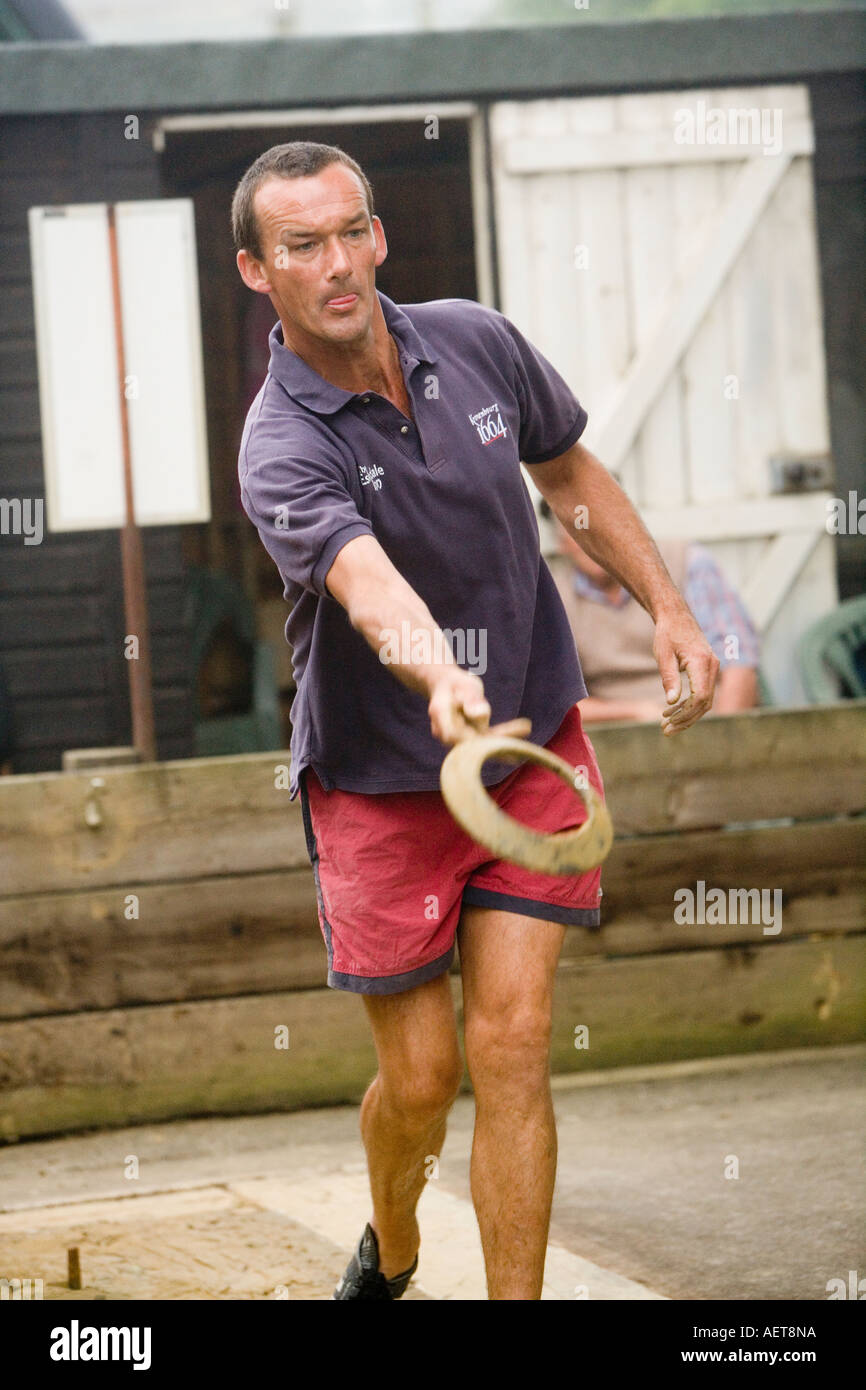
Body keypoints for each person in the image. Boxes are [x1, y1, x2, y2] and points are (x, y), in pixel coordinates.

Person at [232, 141, 718, 1301]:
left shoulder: (475, 339)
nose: (338, 262)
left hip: (530, 745)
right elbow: (363, 582)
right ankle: (392, 1247)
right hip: (380, 782)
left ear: (379, 235)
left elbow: (570, 477)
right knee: (421, 1079)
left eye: (353, 231)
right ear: (258, 270)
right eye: (303, 245)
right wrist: (438, 678)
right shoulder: (281, 442)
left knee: (508, 1048)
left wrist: (666, 607)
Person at [541, 500, 760, 722]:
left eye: (598, 520)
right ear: (561, 543)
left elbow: (737, 657)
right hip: (620, 739)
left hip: (706, 722)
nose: (591, 534)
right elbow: (557, 702)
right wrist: (633, 712)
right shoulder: (553, 596)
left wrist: (725, 738)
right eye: (576, 526)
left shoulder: (686, 561)